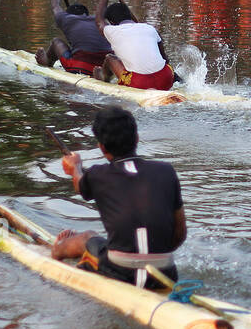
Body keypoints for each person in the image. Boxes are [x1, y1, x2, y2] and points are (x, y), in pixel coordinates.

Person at [50, 107, 185, 290]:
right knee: (105, 242)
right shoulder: (167, 171)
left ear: (102, 147)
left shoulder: (97, 175)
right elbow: (179, 234)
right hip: (166, 272)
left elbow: (80, 185)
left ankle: (56, 250)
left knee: (88, 237)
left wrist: (75, 168)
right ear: (136, 139)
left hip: (120, 271)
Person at [93, 0, 175, 91]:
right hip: (167, 78)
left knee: (110, 58)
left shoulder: (113, 31)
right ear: (130, 17)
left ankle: (103, 77)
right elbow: (165, 59)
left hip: (140, 83)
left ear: (112, 22)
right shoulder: (150, 28)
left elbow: (99, 20)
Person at [36, 0, 114, 76]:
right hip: (106, 66)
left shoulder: (67, 19)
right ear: (86, 15)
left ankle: (47, 61)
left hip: (80, 67)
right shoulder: (101, 22)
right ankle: (103, 73)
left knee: (56, 42)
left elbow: (55, 6)